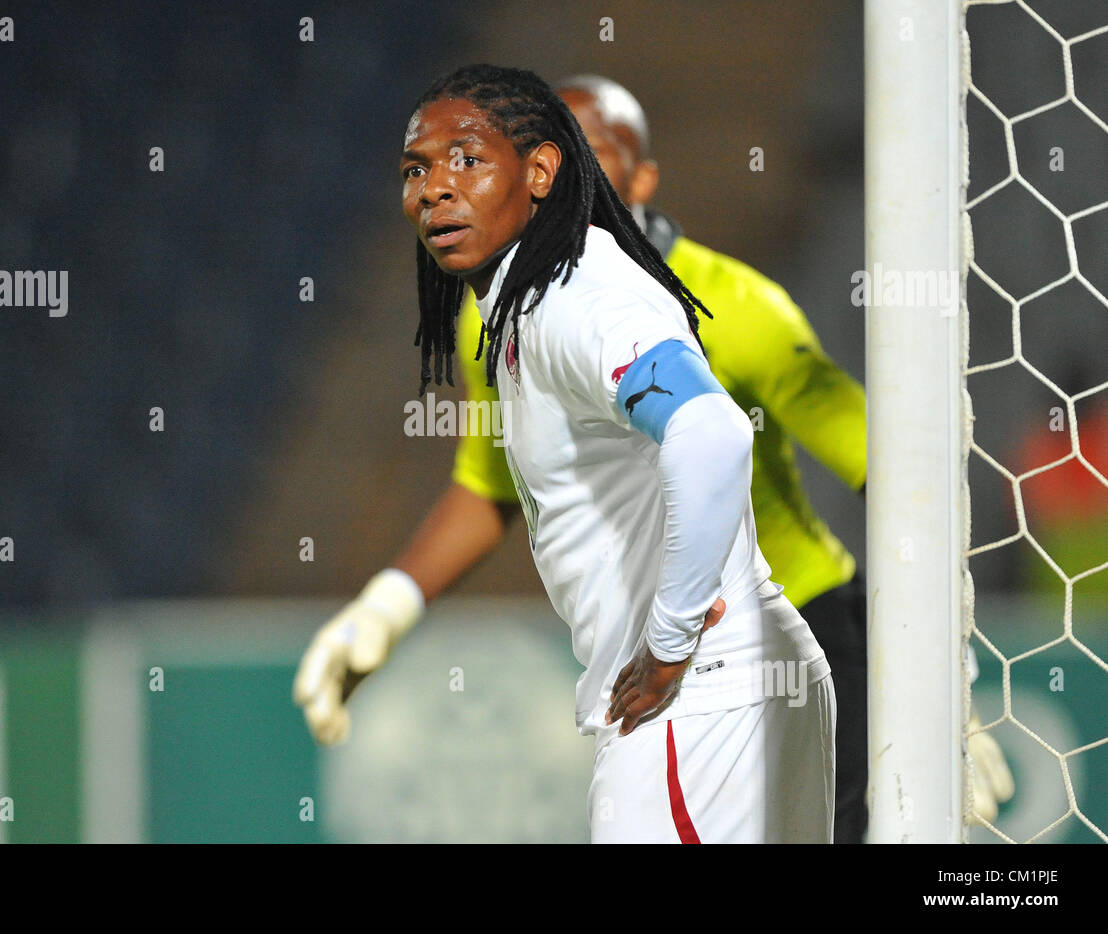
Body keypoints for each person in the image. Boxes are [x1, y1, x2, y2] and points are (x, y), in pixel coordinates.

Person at [298, 63, 834, 843]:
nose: (435, 189)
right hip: (742, 684)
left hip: (697, 703)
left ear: (542, 171)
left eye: (468, 160)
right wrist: (384, 610)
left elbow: (712, 432)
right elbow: (492, 490)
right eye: (417, 169)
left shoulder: (572, 300)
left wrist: (670, 641)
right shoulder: (530, 301)